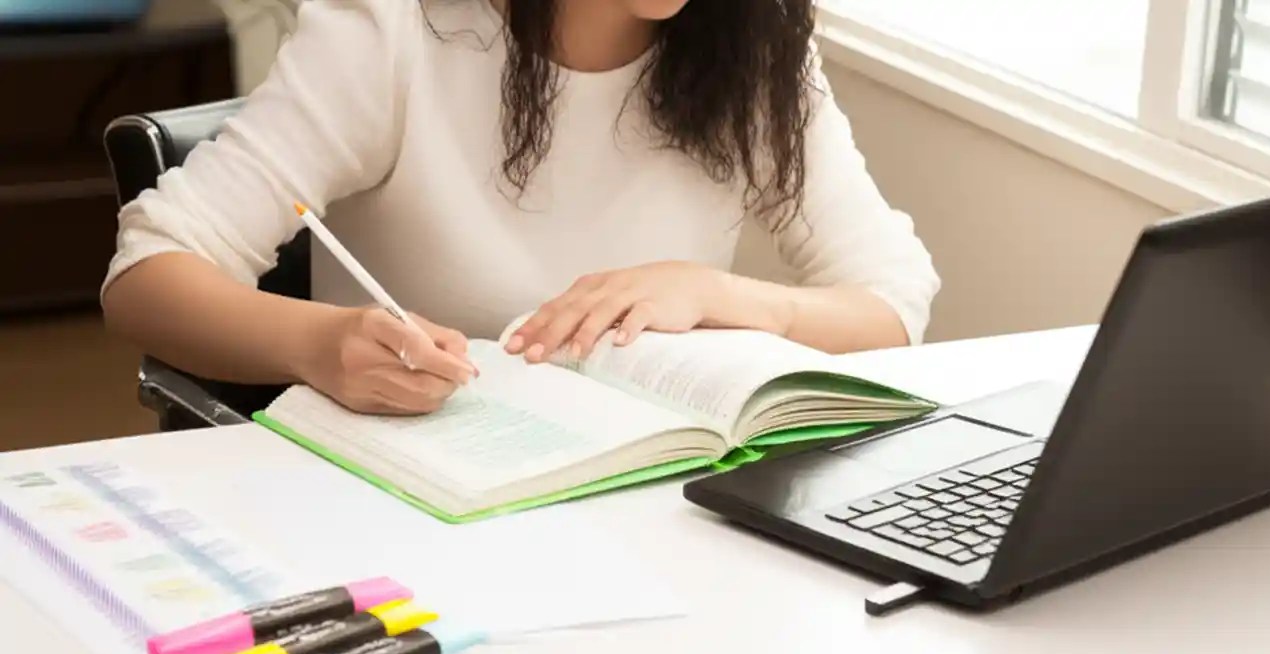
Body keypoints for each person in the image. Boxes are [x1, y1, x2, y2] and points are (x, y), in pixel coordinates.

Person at [101, 0, 940, 416]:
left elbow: (892, 301)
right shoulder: (395, 29)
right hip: (416, 521)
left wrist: (721, 295)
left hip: (653, 511)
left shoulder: (752, 45)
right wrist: (320, 344)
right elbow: (147, 274)